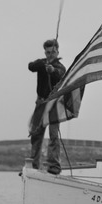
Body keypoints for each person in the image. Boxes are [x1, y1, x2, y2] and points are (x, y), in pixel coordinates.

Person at [28, 39, 66, 174]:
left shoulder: (60, 67)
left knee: (54, 135)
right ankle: (34, 165)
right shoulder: (42, 63)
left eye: (53, 52)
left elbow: (60, 74)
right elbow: (31, 66)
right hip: (41, 103)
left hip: (55, 104)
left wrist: (52, 70)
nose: (51, 54)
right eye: (48, 52)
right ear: (45, 52)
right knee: (36, 135)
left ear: (57, 52)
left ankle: (54, 166)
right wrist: (44, 64)